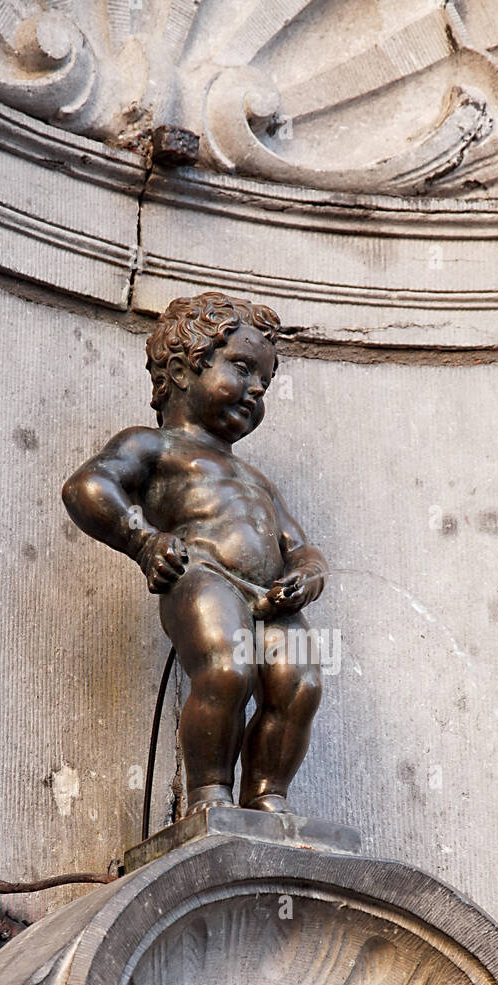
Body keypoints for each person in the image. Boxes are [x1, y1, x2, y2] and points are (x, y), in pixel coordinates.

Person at [62, 291, 326, 817]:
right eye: (244, 369)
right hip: (201, 573)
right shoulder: (153, 447)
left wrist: (307, 575)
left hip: (272, 598)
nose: (255, 389)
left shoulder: (258, 481)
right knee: (228, 670)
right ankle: (211, 795)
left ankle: (268, 796)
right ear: (184, 370)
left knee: (300, 683)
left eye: (265, 383)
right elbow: (87, 486)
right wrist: (142, 541)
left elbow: (299, 546)